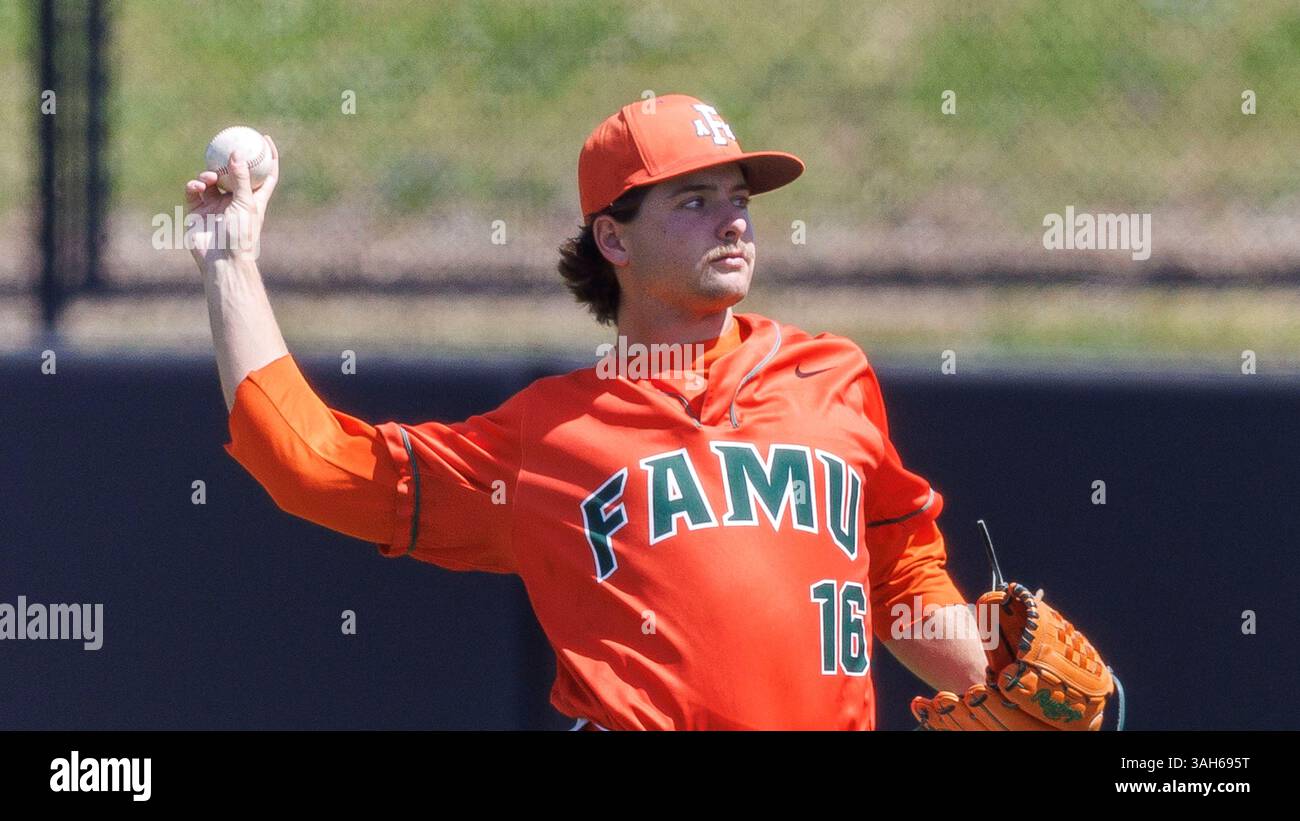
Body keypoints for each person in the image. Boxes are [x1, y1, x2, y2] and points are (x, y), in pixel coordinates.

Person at [184, 93, 988, 730]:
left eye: (739, 197)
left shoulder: (832, 374)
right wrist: (230, 261)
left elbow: (897, 576)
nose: (733, 218)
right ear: (613, 238)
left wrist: (1001, 685)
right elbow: (311, 465)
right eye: (695, 200)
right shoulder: (551, 436)